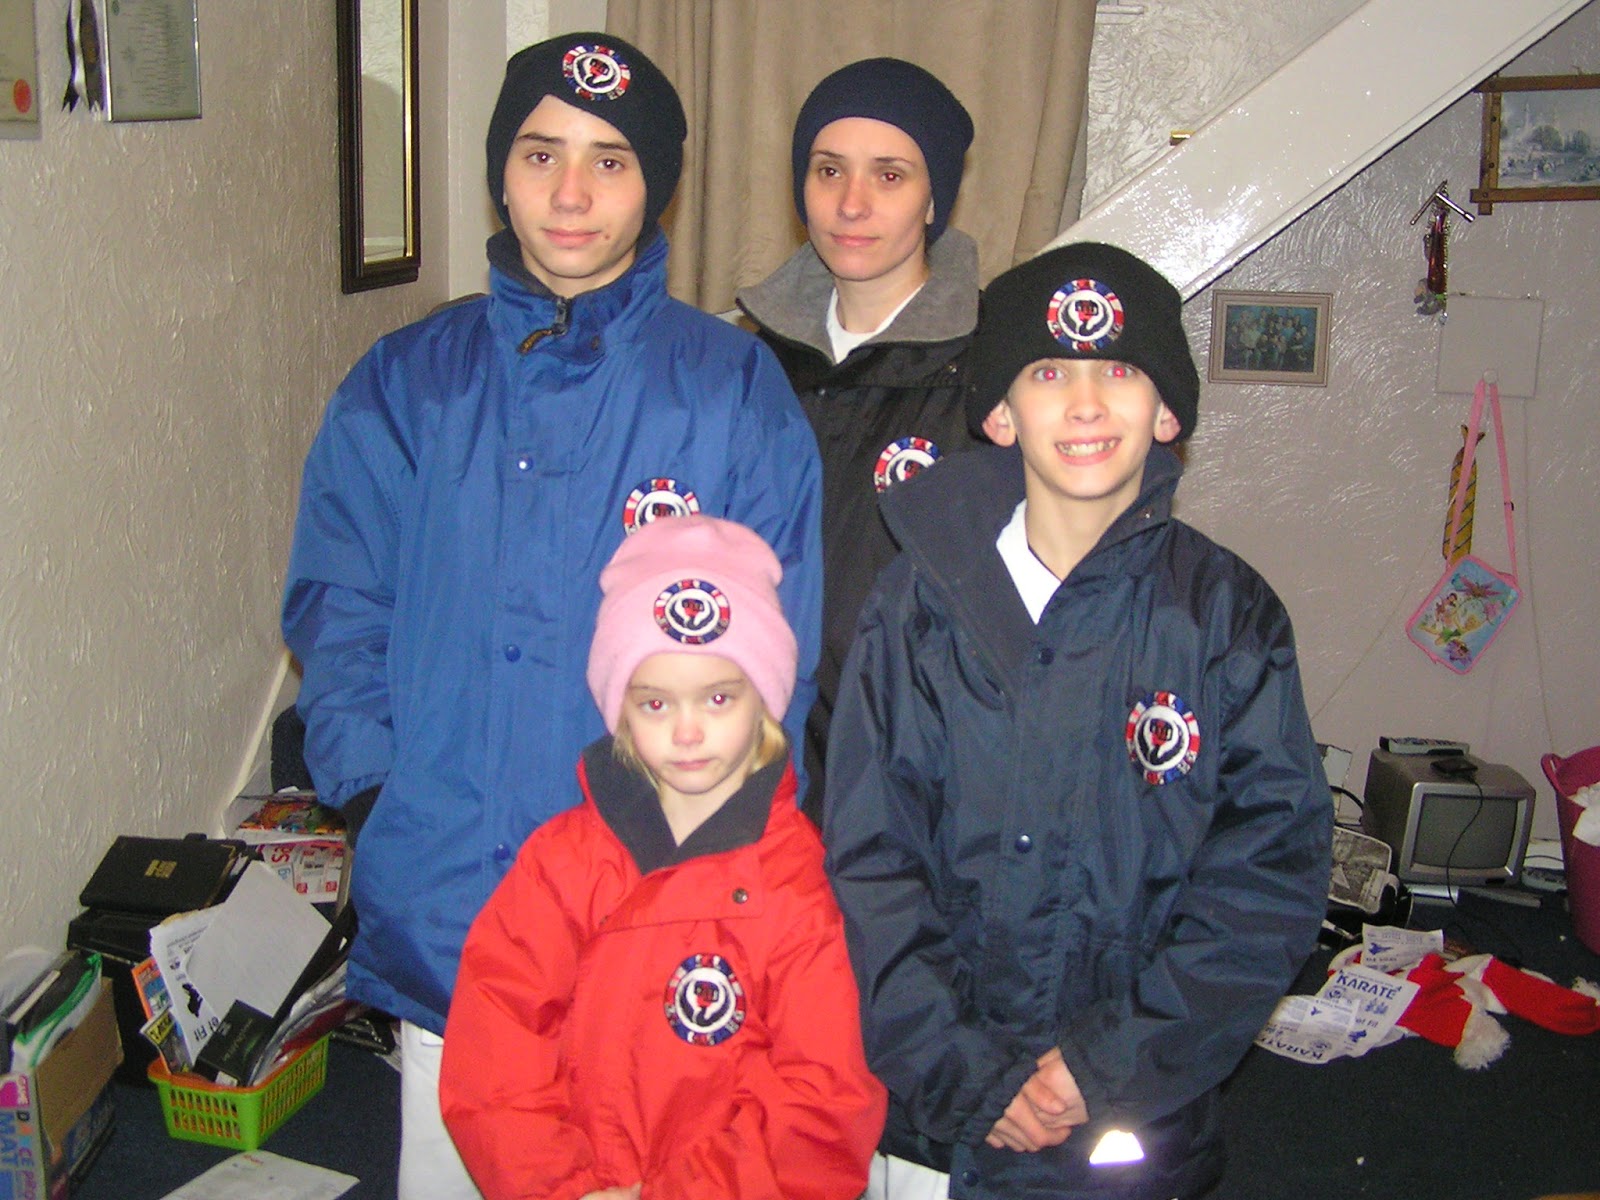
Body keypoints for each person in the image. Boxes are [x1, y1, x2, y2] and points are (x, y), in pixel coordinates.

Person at [281, 33, 821, 1199]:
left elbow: (780, 662)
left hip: (655, 910)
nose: (571, 193)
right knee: (462, 1161)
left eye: (610, 161)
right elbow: (340, 604)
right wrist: (379, 787)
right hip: (455, 892)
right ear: (501, 168)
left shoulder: (727, 391)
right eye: (541, 153)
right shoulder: (405, 384)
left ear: (653, 185)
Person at [823, 241, 1332, 1199]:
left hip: (1130, 1117)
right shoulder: (914, 606)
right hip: (935, 1116)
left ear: (1169, 411)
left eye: (1121, 371)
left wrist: (1106, 1062)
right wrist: (962, 1065)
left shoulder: (1224, 616)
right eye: (1049, 371)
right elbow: (868, 857)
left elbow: (1266, 873)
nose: (1087, 403)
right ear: (1000, 413)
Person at [440, 515, 886, 1200]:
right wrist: (563, 1188)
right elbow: (496, 1047)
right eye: (654, 703)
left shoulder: (795, 886)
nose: (686, 731)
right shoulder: (563, 863)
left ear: (763, 699)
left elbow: (820, 1103)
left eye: (717, 697)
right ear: (620, 711)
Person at [737, 57, 984, 821]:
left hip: (914, 800)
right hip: (747, 785)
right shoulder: (738, 366)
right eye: (828, 170)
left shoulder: (992, 383)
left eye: (889, 175)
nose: (850, 203)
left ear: (933, 196)